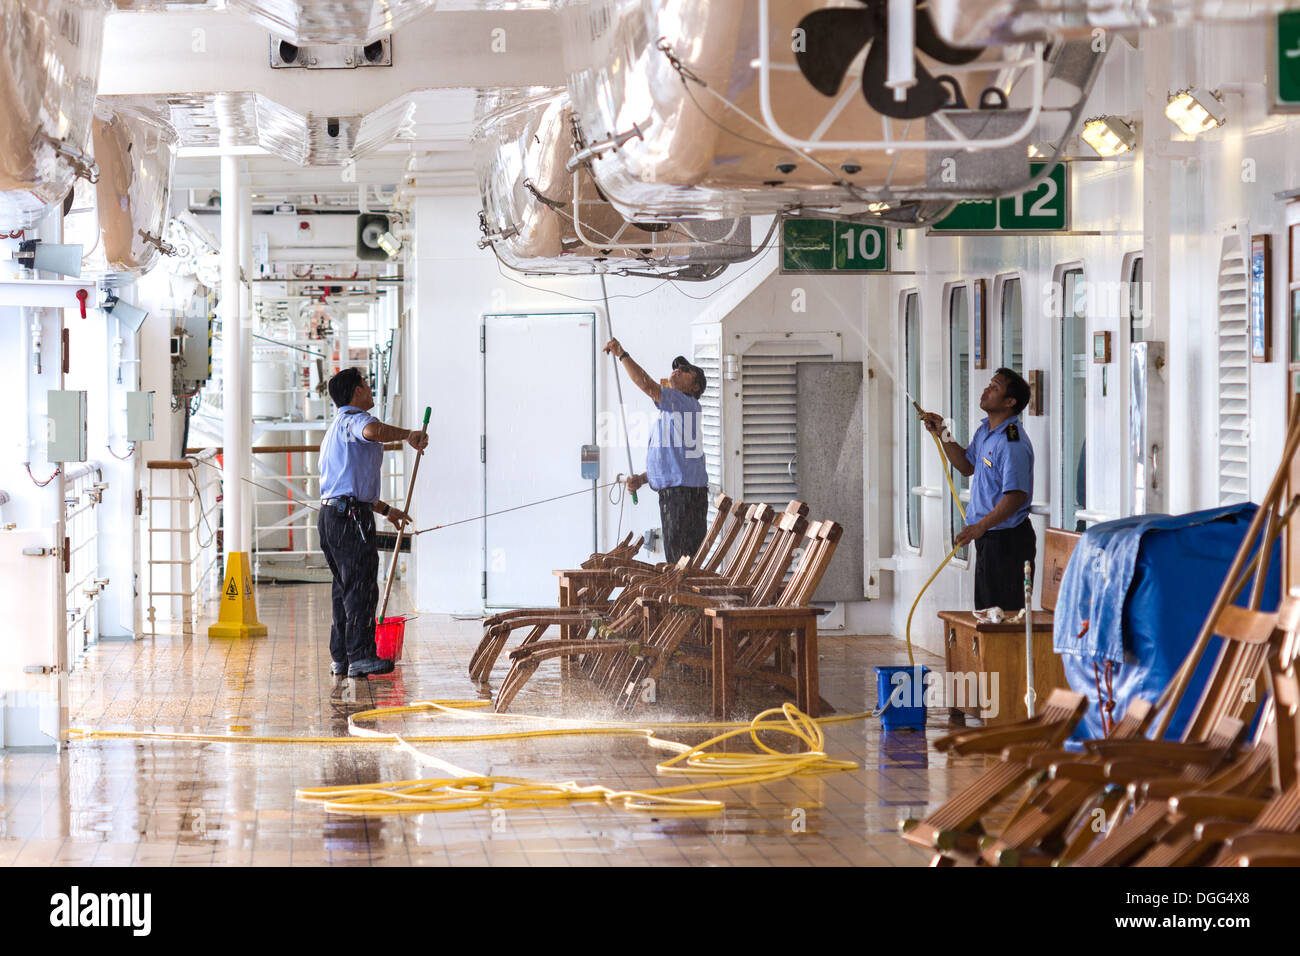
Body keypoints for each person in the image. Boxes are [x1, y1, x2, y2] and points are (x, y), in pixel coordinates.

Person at [318, 367, 429, 678]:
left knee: (344, 588)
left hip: (331, 516)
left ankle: (341, 656)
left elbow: (349, 482)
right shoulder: (357, 421)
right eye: (366, 385)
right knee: (361, 588)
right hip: (350, 517)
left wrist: (386, 510)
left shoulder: (335, 428)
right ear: (356, 392)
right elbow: (373, 432)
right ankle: (360, 656)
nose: (369, 390)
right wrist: (408, 435)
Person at [920, 367, 1036, 611]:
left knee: (1001, 616)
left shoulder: (1012, 441)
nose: (986, 390)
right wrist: (942, 432)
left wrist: (979, 527)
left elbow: (1015, 496)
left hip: (1007, 542)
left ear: (1010, 402)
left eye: (995, 388)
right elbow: (966, 465)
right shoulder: (986, 431)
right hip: (988, 538)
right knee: (985, 612)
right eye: (989, 385)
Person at [602, 339, 709, 563]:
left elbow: (646, 385)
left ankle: (682, 598)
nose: (678, 370)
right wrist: (642, 479)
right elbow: (672, 464)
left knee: (680, 564)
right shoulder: (674, 413)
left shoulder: (684, 402)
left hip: (683, 498)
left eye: (686, 370)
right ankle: (682, 597)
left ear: (695, 387)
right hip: (681, 495)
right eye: (677, 368)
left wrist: (622, 354)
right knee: (680, 562)